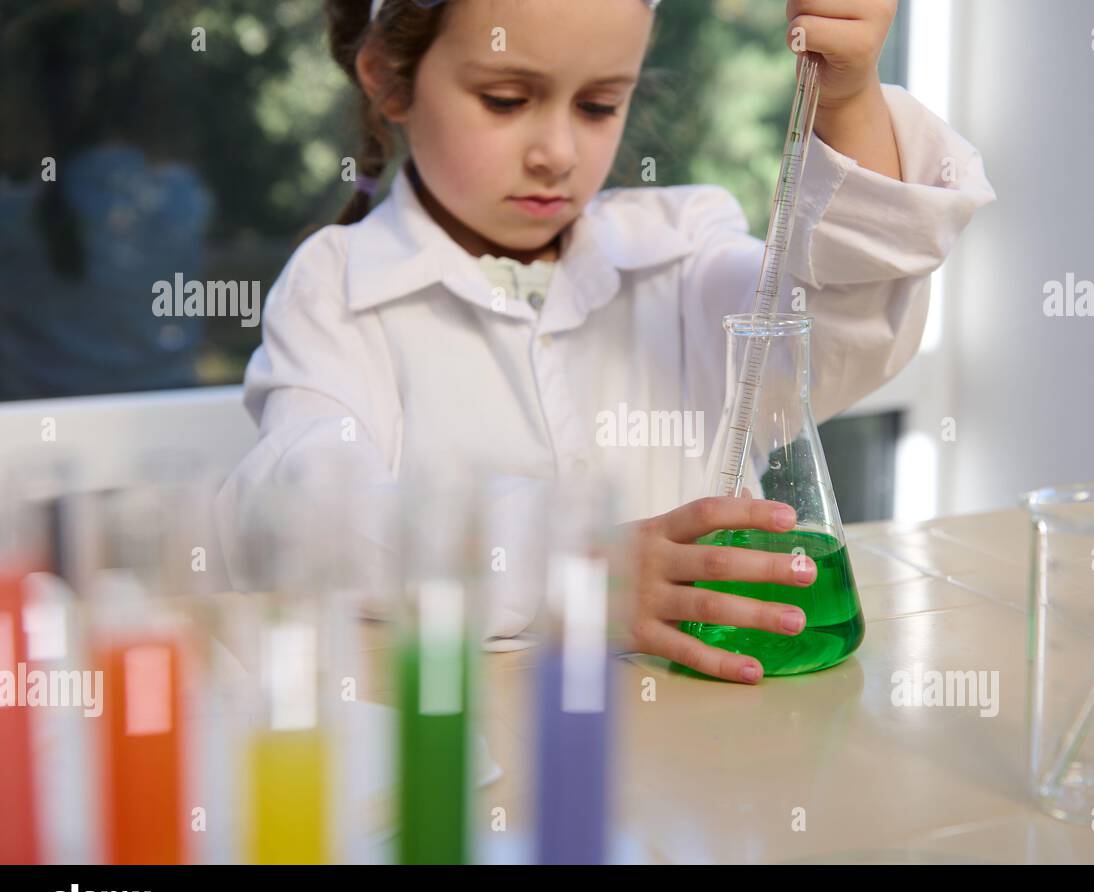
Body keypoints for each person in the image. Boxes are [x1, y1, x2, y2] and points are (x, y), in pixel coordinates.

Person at [217, 0, 995, 683]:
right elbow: (300, 515)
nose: (556, 151)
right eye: (506, 98)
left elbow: (833, 333)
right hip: (485, 777)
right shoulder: (337, 288)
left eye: (597, 106)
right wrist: (573, 569)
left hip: (718, 770)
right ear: (388, 79)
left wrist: (848, 99)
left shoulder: (683, 248)